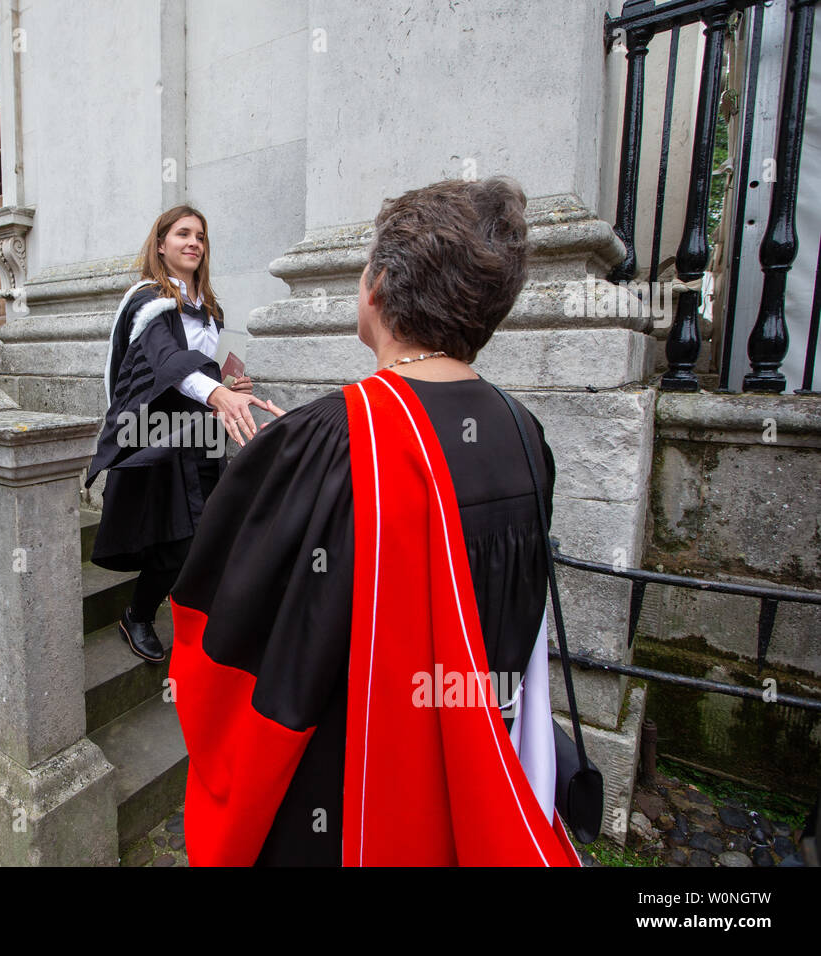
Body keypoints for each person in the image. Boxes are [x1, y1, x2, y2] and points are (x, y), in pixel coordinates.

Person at [169, 177, 579, 866]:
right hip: (475, 787)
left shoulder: (328, 441)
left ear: (379, 285)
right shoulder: (522, 432)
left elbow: (231, 633)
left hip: (343, 802)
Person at [85, 205, 276, 663]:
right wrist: (217, 396)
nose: (194, 242)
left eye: (201, 236)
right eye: (183, 234)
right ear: (161, 244)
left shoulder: (210, 309)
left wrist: (232, 387)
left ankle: (193, 616)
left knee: (210, 531)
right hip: (158, 435)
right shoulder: (148, 302)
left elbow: (214, 366)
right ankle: (138, 614)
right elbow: (166, 363)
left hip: (202, 439)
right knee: (176, 537)